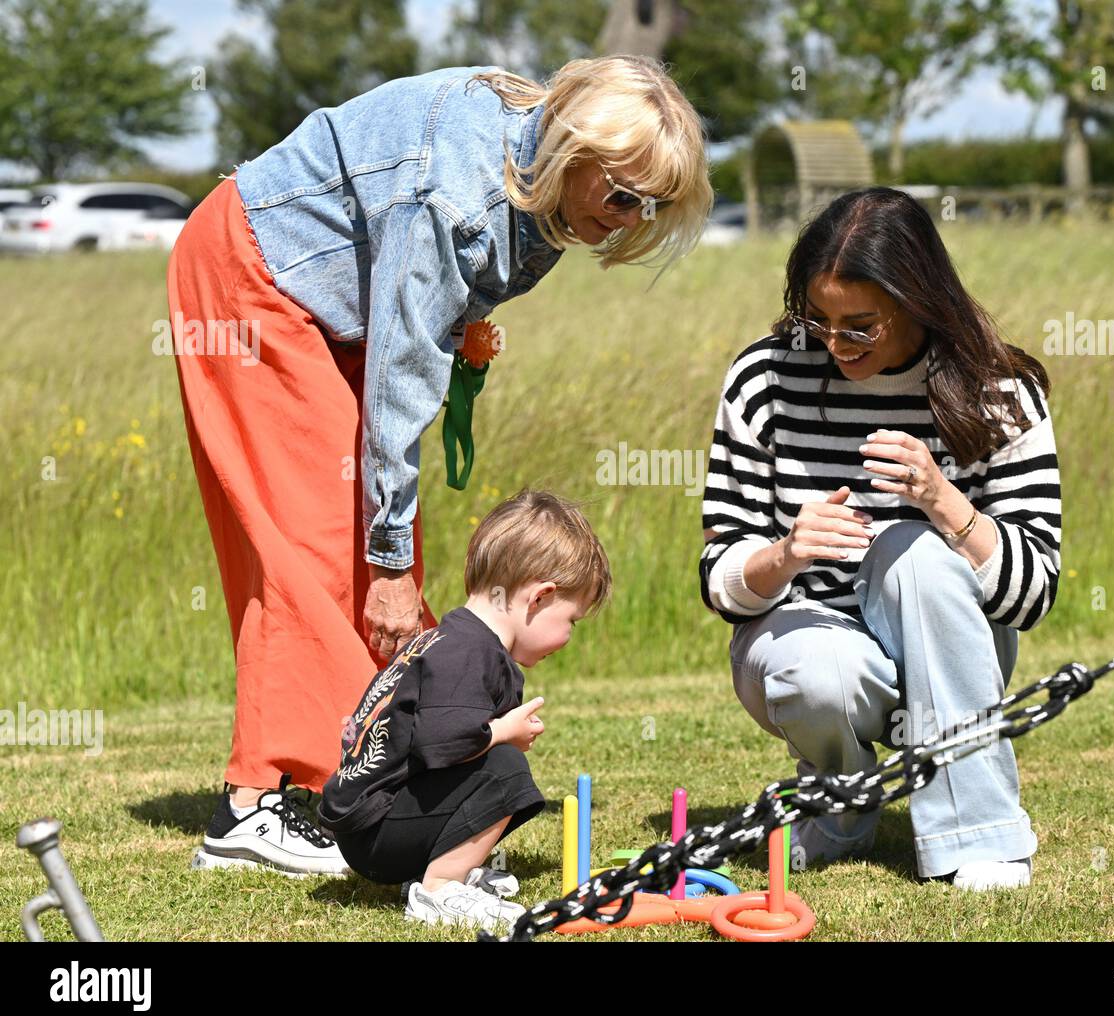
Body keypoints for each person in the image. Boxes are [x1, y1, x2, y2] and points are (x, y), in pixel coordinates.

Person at [167, 57, 710, 876]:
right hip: (253, 276)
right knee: (316, 541)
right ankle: (250, 806)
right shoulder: (456, 200)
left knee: (381, 538)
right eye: (623, 194)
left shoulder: (540, 179)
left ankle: (371, 771)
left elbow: (421, 326)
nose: (632, 220)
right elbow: (399, 372)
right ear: (574, 148)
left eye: (653, 206)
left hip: (327, 309)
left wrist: (392, 550)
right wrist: (385, 566)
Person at [700, 188, 1062, 891]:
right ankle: (843, 808)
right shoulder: (763, 378)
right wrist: (786, 553)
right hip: (808, 642)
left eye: (860, 326)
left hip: (956, 653)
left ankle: (978, 834)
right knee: (817, 667)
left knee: (916, 552)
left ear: (918, 300)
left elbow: (1034, 594)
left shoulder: (1001, 392)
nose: (836, 345)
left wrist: (944, 502)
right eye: (820, 320)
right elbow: (721, 577)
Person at [319, 489, 611, 934]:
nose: (569, 636)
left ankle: (440, 868)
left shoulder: (449, 639)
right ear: (539, 597)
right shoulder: (469, 654)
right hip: (374, 834)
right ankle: (440, 888)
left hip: (368, 824)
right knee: (504, 769)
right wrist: (503, 732)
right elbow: (442, 741)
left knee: (496, 767)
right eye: (571, 619)